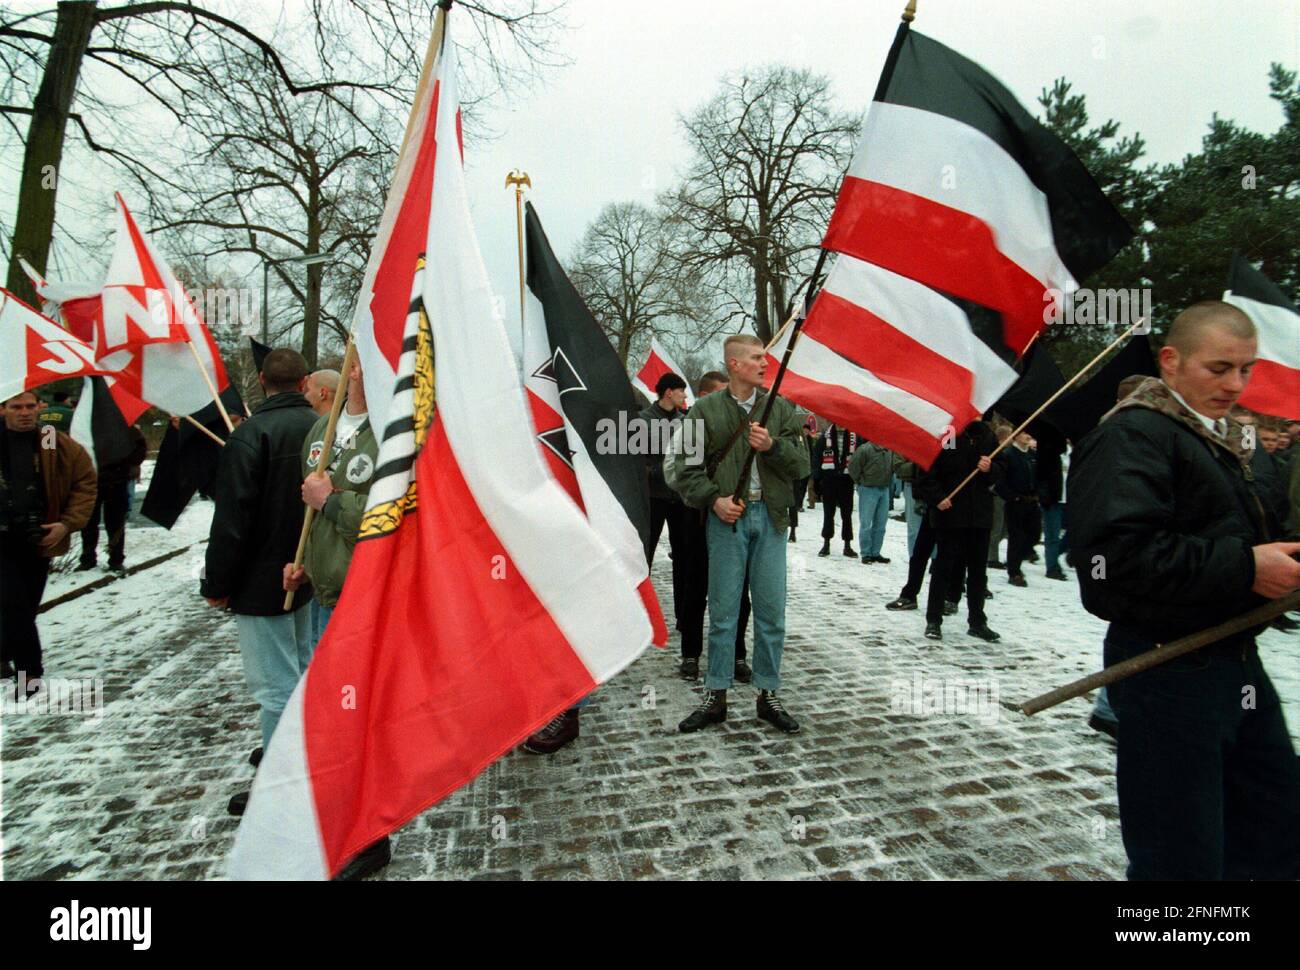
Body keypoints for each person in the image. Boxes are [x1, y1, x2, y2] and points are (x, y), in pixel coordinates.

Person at [1069, 300, 1300, 880]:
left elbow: (1270, 535)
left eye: (1245, 369)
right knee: (1181, 859)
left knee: (1274, 831)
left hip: (1239, 662)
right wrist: (1243, 568)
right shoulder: (1132, 436)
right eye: (1219, 368)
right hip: (1165, 671)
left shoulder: (1235, 444)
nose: (1235, 384)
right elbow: (1108, 566)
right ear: (1170, 360)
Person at [282, 355, 389, 880]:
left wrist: (334, 506)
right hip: (325, 594)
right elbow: (307, 507)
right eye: (360, 359)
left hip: (368, 597)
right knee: (338, 716)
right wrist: (302, 562)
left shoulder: (395, 436)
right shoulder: (319, 433)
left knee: (357, 717)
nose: (363, 369)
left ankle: (367, 834)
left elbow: (392, 518)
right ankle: (346, 818)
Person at [201, 349, 318, 818]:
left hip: (261, 580)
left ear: (261, 380)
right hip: (303, 570)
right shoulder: (319, 428)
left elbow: (232, 520)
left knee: (276, 685)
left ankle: (280, 783)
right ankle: (300, 754)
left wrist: (218, 581)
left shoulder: (252, 434)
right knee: (299, 669)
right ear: (304, 380)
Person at [671, 335, 809, 734]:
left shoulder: (779, 408)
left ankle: (769, 694)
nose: (765, 364)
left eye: (765, 357)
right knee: (724, 613)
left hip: (771, 519)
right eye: (756, 357)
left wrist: (772, 447)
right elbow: (686, 469)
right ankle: (716, 695)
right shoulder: (704, 411)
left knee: (771, 614)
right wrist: (714, 500)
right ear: (733, 364)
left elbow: (801, 465)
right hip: (727, 520)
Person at [1, 390, 97, 690]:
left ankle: (4, 653)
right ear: (3, 409)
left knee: (25, 604)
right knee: (13, 601)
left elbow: (85, 478)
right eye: (16, 407)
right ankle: (29, 672)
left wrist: (68, 524)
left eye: (31, 406)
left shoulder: (47, 440)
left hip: (38, 537)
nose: (25, 412)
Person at [667, 371, 753, 683]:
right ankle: (690, 654)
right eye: (720, 394)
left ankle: (737, 655)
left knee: (739, 592)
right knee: (696, 588)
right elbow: (674, 473)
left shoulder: (741, 424)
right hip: (696, 517)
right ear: (705, 397)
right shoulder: (689, 427)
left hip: (732, 517)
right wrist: (707, 495)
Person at [914, 420, 1002, 642]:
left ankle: (977, 621)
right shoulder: (947, 433)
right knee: (944, 568)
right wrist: (937, 498)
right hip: (950, 514)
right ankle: (933, 619)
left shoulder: (989, 437)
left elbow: (1002, 473)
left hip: (979, 516)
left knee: (977, 573)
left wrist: (991, 468)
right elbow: (926, 472)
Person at [78, 424, 147, 574]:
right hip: (100, 481)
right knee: (97, 522)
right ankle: (96, 558)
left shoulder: (124, 426)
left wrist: (124, 462)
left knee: (103, 522)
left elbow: (140, 449)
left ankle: (107, 559)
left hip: (107, 481)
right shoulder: (82, 423)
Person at [997, 430, 1039, 587]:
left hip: (1032, 501)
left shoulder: (1032, 455)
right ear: (1016, 435)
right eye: (1024, 433)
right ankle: (1014, 571)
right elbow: (1000, 482)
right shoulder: (1008, 454)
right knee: (1016, 536)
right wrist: (1011, 496)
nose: (1028, 436)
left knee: (1033, 534)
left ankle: (1017, 559)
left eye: (1030, 433)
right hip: (1016, 501)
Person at [813, 423, 857, 558]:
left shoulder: (854, 438)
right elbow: (816, 459)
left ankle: (847, 545)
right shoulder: (824, 438)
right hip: (829, 480)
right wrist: (816, 479)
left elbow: (859, 458)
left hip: (846, 479)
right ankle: (826, 543)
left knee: (847, 514)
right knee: (828, 513)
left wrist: (858, 476)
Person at [849, 438, 893, 563]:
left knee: (881, 524)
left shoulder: (889, 449)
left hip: (884, 489)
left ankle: (875, 552)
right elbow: (853, 467)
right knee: (866, 523)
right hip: (868, 489)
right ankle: (866, 552)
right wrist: (861, 482)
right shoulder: (864, 449)